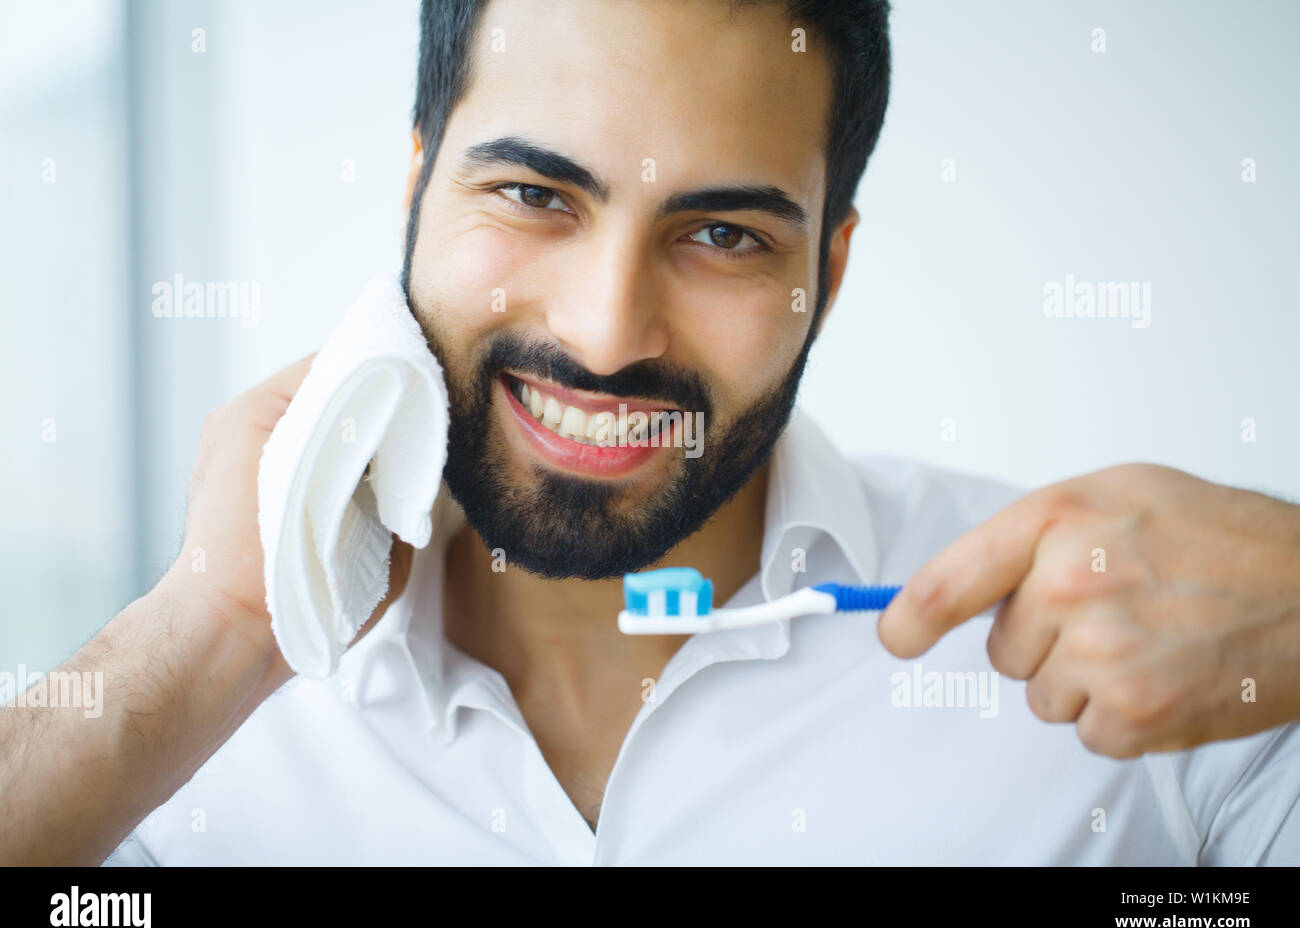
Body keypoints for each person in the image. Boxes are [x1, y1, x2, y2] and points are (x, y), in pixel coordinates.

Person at [4, 0, 1298, 865]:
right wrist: (217, 626)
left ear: (827, 277)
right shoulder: (186, 726)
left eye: (724, 235)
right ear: (415, 192)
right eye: (531, 194)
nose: (609, 330)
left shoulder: (1153, 671)